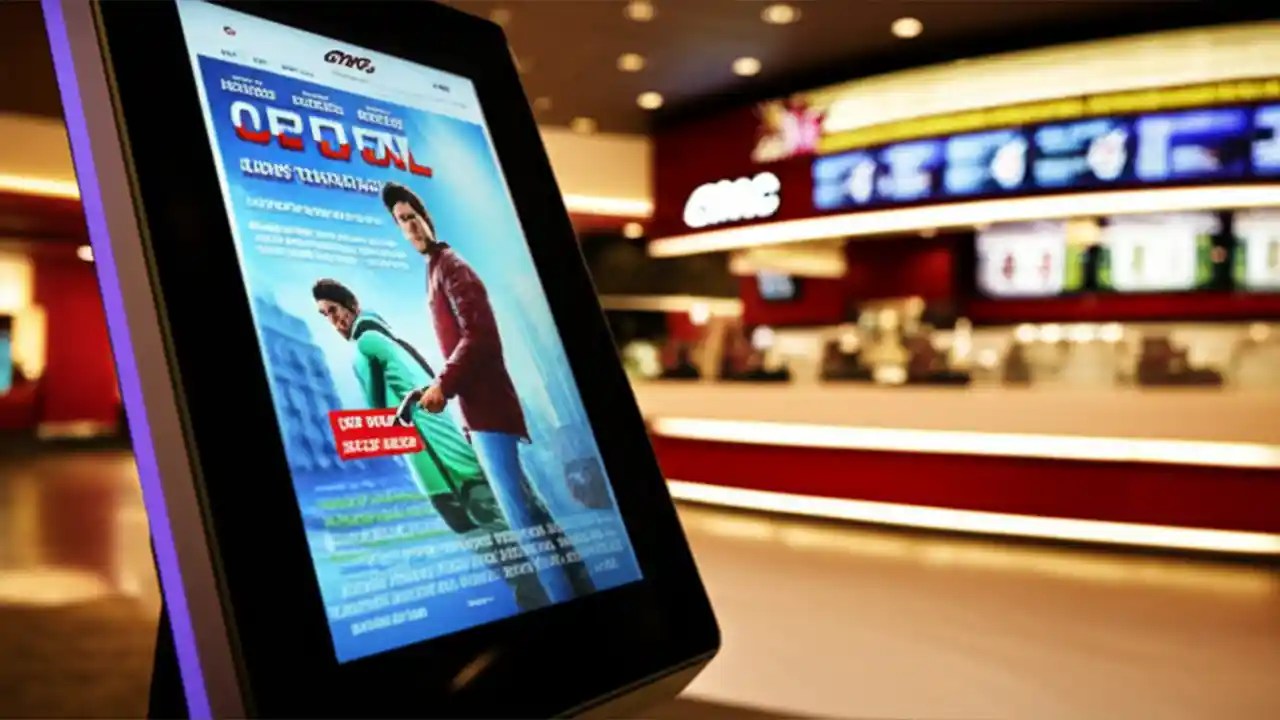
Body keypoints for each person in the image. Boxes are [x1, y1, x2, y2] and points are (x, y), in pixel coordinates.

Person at [379, 182, 594, 601]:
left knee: (521, 522)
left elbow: (481, 335)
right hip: (481, 409)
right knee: (532, 510)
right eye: (401, 221)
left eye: (412, 216)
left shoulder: (451, 266)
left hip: (488, 412)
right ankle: (582, 589)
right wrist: (437, 384)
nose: (410, 226)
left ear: (427, 216)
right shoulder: (435, 269)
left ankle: (562, 607)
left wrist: (445, 383)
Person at [312, 278, 551, 611]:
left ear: (352, 304)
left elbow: (377, 417)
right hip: (455, 457)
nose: (333, 321)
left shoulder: (365, 346)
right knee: (504, 542)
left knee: (491, 547)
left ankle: (537, 607)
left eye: (334, 310)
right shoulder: (393, 339)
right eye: (325, 315)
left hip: (440, 471)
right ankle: (541, 606)